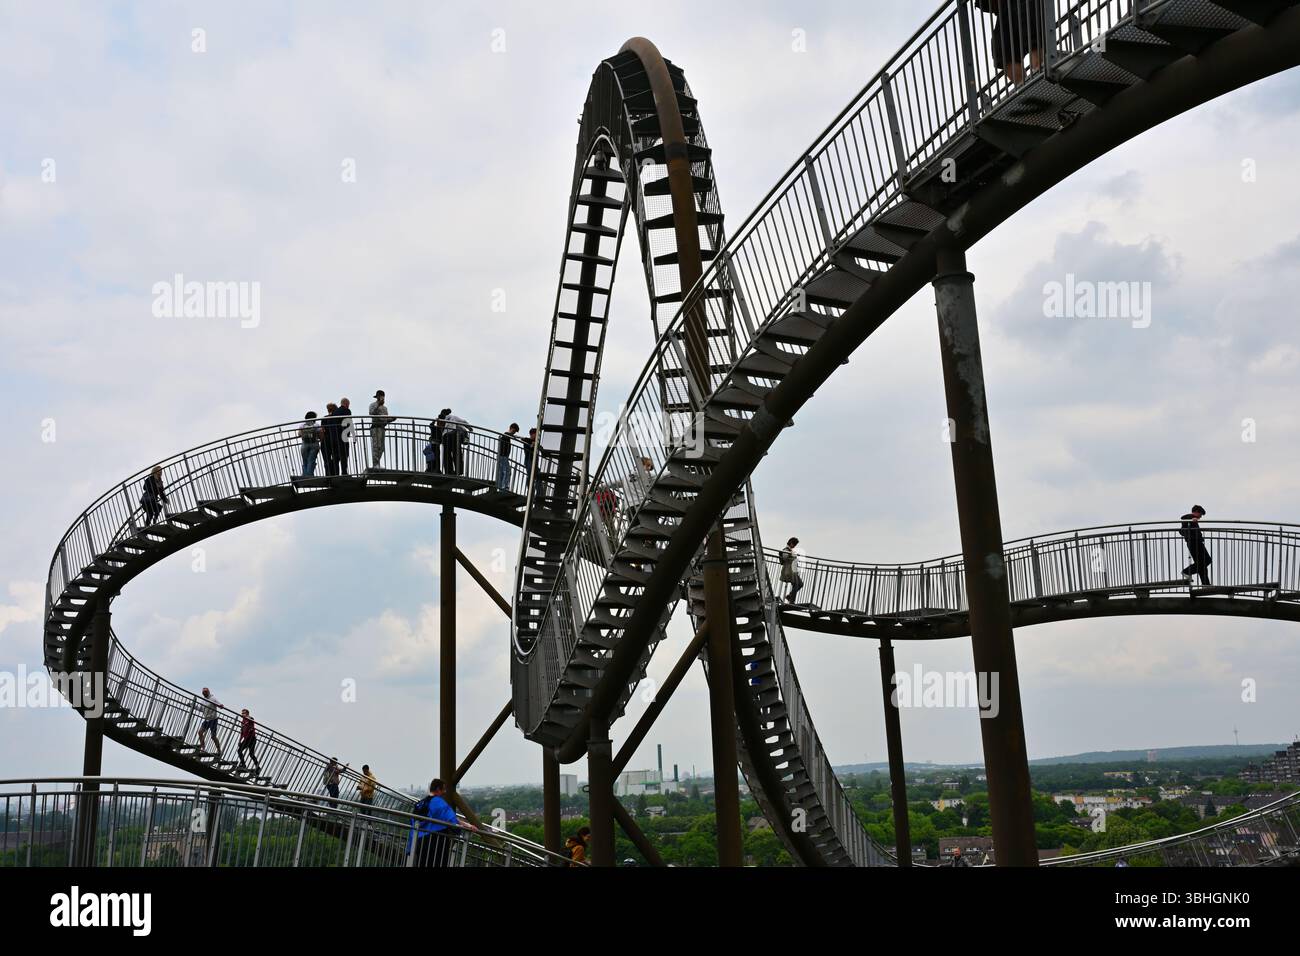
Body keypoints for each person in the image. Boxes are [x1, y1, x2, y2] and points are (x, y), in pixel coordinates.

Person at [976, 0, 1045, 86]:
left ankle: (1041, 71)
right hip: (1003, 8)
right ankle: (1023, 86)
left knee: (1030, 29)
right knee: (1001, 47)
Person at [408, 778, 473, 867]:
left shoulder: (422, 803)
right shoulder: (437, 801)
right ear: (438, 789)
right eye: (444, 789)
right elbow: (450, 818)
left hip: (420, 840)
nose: (445, 792)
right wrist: (465, 827)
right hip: (436, 841)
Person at [1180, 505, 1212, 586]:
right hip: (1194, 543)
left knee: (1202, 564)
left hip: (1196, 543)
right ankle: (1186, 571)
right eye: (1200, 515)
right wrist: (1191, 519)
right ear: (1196, 512)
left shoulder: (1191, 519)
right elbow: (1182, 530)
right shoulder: (1190, 518)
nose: (1200, 517)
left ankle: (1206, 584)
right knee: (1206, 560)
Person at [368, 390, 394, 469]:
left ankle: (377, 463)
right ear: (378, 397)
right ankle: (375, 464)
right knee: (376, 446)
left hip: (382, 428)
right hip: (375, 428)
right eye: (381, 396)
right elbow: (371, 413)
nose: (382, 398)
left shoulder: (385, 408)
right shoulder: (372, 405)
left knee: (382, 448)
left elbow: (385, 419)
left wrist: (392, 419)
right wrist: (378, 405)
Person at [442, 410, 469, 476]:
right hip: (453, 434)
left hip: (445, 436)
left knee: (447, 454)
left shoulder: (442, 420)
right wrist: (470, 428)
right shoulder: (453, 417)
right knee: (457, 453)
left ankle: (448, 471)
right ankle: (459, 471)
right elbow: (464, 422)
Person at [197, 687, 222, 756]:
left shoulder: (212, 698)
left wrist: (220, 705)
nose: (204, 693)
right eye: (203, 692)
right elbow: (201, 709)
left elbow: (220, 705)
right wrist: (192, 705)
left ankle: (219, 751)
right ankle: (203, 748)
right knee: (200, 732)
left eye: (205, 692)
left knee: (213, 736)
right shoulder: (203, 700)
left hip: (213, 719)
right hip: (207, 720)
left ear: (208, 692)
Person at [780, 537, 804, 605]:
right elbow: (784, 558)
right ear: (790, 543)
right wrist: (791, 554)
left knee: (800, 584)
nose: (794, 546)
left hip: (794, 571)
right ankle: (791, 601)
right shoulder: (786, 550)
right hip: (789, 571)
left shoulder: (790, 550)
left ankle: (790, 596)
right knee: (796, 585)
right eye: (794, 544)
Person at [237, 708, 261, 774]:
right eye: (242, 713)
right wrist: (239, 740)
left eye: (244, 713)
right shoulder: (242, 722)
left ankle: (256, 767)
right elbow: (242, 732)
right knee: (240, 751)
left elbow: (252, 719)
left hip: (251, 738)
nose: (242, 714)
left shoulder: (249, 719)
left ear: (247, 714)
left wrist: (248, 718)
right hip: (247, 739)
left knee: (251, 754)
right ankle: (244, 765)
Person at [321, 402, 342, 477]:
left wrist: (321, 440)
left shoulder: (325, 418)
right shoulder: (338, 418)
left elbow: (322, 430)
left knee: (327, 460)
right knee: (336, 459)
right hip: (336, 440)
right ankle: (336, 475)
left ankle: (328, 476)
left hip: (326, 441)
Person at [298, 411, 322, 477]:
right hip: (314, 443)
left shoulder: (302, 425)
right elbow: (320, 435)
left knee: (305, 460)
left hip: (305, 444)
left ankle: (304, 475)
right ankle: (309, 476)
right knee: (311, 460)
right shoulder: (316, 425)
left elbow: (299, 434)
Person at [497, 423, 519, 490]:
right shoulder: (506, 434)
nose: (513, 433)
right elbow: (507, 435)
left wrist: (513, 436)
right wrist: (514, 436)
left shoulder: (507, 436)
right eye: (513, 431)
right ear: (511, 428)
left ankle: (500, 486)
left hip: (503, 457)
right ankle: (504, 486)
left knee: (502, 472)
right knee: (507, 471)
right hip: (503, 456)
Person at [337, 398, 354, 475]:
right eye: (348, 404)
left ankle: (335, 473)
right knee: (344, 455)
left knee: (336, 455)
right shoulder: (347, 411)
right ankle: (344, 472)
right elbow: (349, 423)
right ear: (346, 404)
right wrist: (353, 436)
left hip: (335, 437)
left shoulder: (335, 412)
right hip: (344, 435)